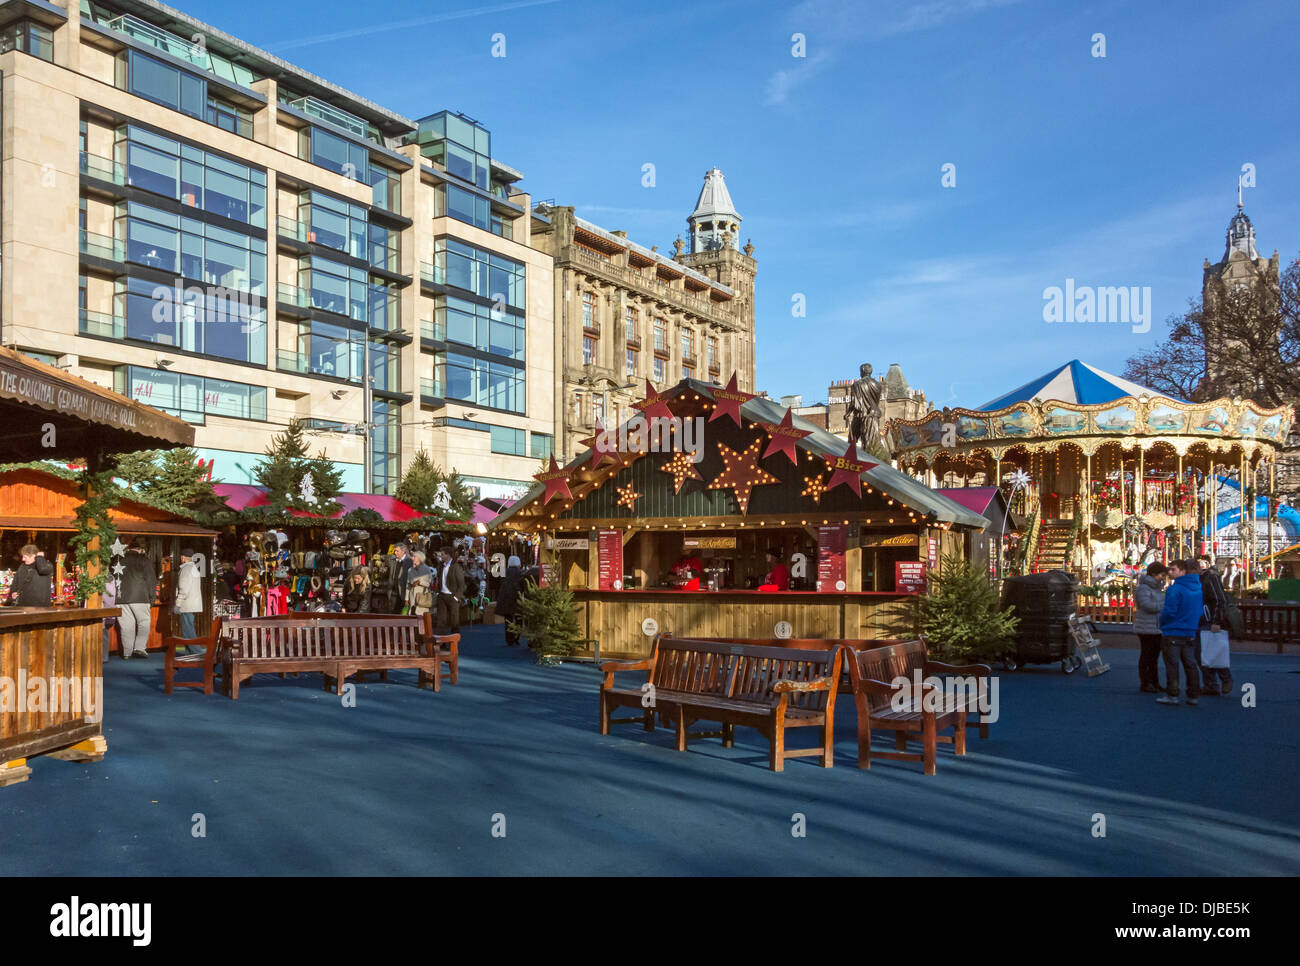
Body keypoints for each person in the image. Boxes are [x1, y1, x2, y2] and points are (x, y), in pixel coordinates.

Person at [1157, 559, 1204, 705]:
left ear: (1183, 571)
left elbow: (1170, 611)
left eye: (1173, 569)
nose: (1169, 572)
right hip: (1190, 630)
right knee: (1190, 663)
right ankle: (1193, 694)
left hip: (1173, 630)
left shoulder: (1175, 589)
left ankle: (1173, 694)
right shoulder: (1198, 588)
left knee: (1172, 664)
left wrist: (1162, 622)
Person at [1197, 554, 1233, 697]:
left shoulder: (1210, 577)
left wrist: (1216, 620)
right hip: (1201, 619)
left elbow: (1219, 599)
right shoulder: (1201, 579)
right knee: (1202, 653)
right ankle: (1210, 684)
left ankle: (1224, 678)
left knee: (1211, 651)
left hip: (1209, 619)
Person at [117, 537, 157, 660]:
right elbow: (151, 580)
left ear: (128, 549)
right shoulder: (144, 560)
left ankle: (127, 653)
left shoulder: (118, 560)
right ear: (139, 550)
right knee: (144, 622)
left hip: (121, 598)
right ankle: (139, 648)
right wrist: (152, 598)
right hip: (140, 597)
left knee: (126, 626)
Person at [1132, 562, 1166, 693]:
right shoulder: (1143, 588)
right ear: (1153, 574)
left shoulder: (1156, 588)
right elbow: (1147, 605)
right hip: (1146, 626)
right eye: (1161, 575)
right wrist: (1163, 604)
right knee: (1147, 655)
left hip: (1155, 625)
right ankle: (1145, 682)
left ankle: (1154, 681)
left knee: (1154, 656)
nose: (1163, 578)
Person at [173, 548, 202, 650]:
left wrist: (178, 604)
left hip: (186, 604)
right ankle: (192, 652)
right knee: (189, 629)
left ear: (183, 557)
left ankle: (196, 652)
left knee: (188, 631)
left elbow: (183, 589)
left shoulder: (185, 569)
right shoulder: (194, 568)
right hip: (192, 604)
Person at [433, 547, 466, 634]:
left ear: (448, 555)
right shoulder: (441, 565)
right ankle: (441, 642)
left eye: (442, 554)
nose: (441, 556)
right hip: (442, 596)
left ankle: (453, 643)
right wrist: (437, 593)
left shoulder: (456, 566)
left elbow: (461, 584)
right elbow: (438, 579)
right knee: (441, 620)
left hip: (452, 596)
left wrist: (457, 597)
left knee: (454, 621)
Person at [496, 555, 525, 646]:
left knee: (508, 619)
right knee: (518, 619)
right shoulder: (520, 573)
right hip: (517, 597)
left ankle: (509, 639)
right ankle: (516, 637)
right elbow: (523, 585)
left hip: (506, 599)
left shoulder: (504, 572)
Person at [388, 542, 413, 614]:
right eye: (394, 551)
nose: (395, 553)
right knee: (392, 612)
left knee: (402, 614)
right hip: (393, 591)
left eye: (397, 551)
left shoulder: (409, 561)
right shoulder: (393, 560)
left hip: (403, 592)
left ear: (403, 551)